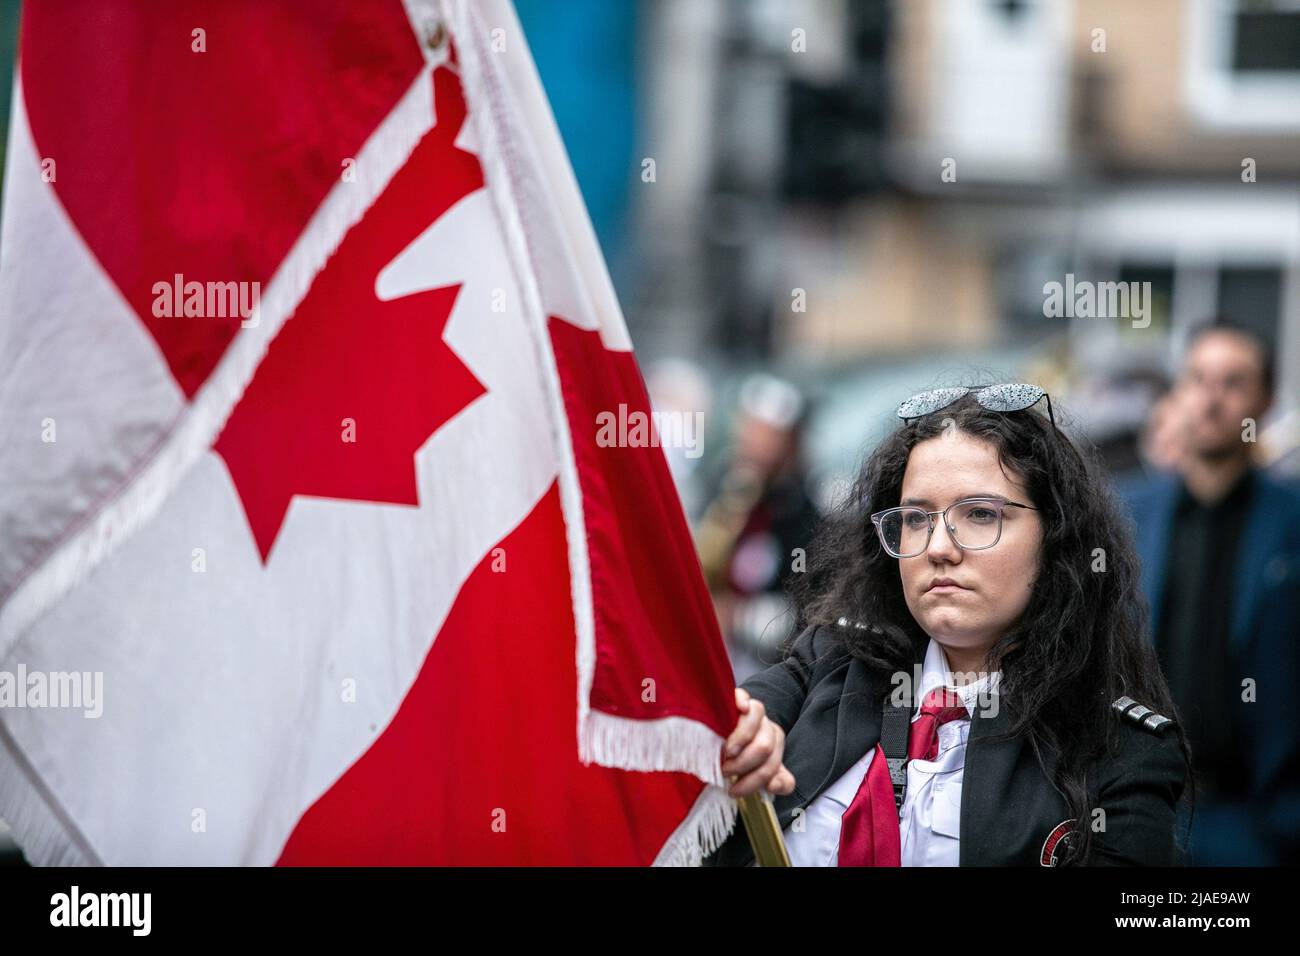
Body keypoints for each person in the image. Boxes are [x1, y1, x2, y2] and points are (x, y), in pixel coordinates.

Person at [702, 383, 1192, 866]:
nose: (938, 547)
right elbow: (746, 714)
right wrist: (742, 731)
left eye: (980, 514)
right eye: (916, 518)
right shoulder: (829, 663)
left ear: (1056, 535)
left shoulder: (1121, 748)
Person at [1119, 319, 1300, 865]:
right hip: (1143, 808)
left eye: (1233, 382)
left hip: (1259, 822)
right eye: (1198, 379)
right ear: (1178, 394)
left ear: (1265, 400)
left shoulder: (1291, 520)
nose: (1212, 399)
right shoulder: (1126, 515)